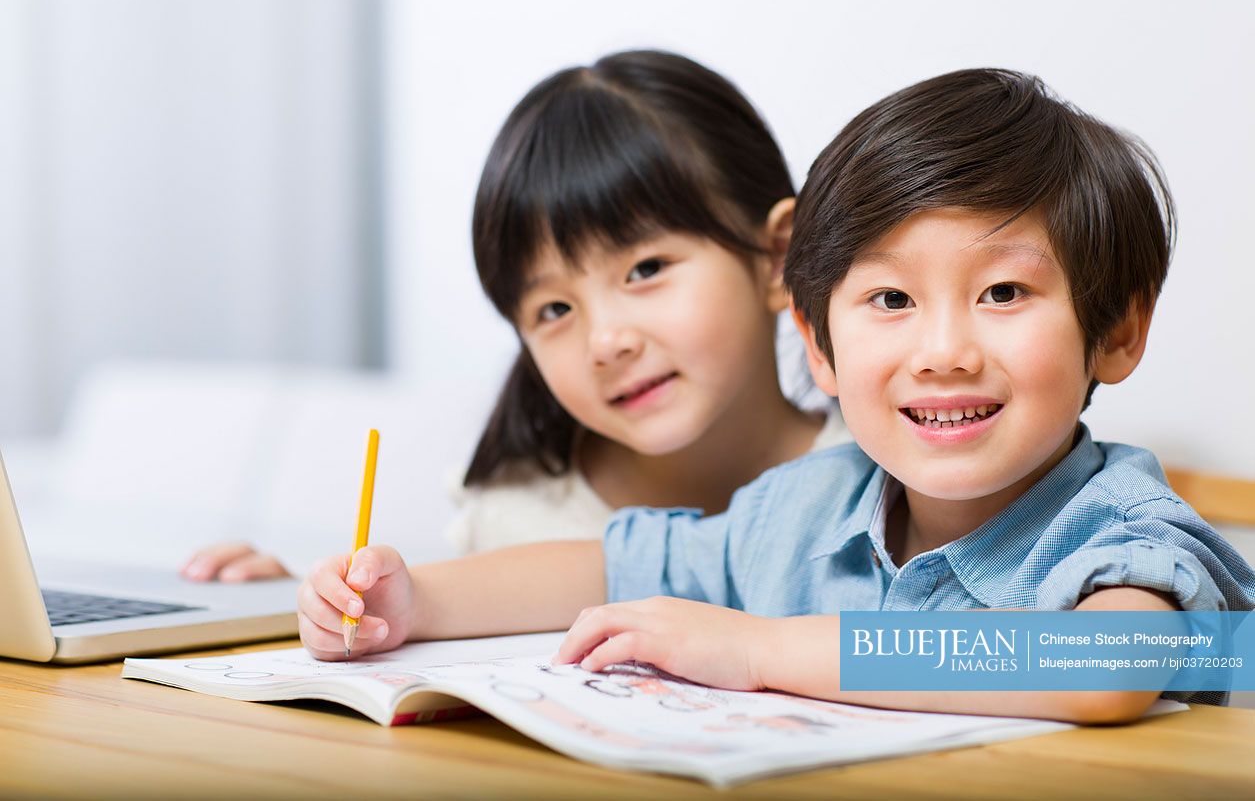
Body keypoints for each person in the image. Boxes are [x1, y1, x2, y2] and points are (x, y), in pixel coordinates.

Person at [298, 67, 1255, 722]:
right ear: (821, 348)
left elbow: (1101, 669)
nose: (942, 351)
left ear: (1118, 329)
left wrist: (759, 650)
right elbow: (606, 568)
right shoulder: (804, 512)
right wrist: (412, 600)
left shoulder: (1121, 525)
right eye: (888, 299)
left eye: (1002, 293)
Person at [180, 49, 849, 582]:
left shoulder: (894, 473)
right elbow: (435, 633)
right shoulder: (516, 521)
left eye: (644, 270)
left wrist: (766, 651)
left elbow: (955, 657)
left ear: (775, 256)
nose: (605, 340)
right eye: (554, 308)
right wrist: (324, 603)